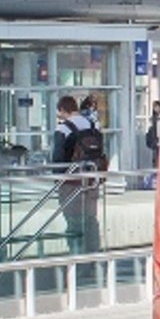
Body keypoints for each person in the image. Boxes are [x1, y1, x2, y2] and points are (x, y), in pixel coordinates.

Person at [53, 95, 102, 253]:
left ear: (62, 110)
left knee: (74, 222)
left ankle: (76, 259)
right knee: (91, 220)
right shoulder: (93, 125)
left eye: (59, 112)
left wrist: (57, 182)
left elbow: (58, 159)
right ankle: (94, 257)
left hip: (70, 184)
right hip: (91, 182)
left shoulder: (63, 129)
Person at [144, 100, 160, 184]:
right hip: (157, 143)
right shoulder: (155, 118)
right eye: (154, 107)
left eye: (156, 106)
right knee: (156, 160)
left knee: (158, 160)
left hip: (159, 143)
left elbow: (159, 131)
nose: (155, 108)